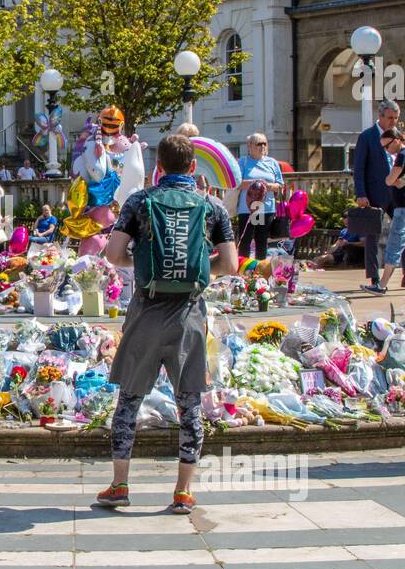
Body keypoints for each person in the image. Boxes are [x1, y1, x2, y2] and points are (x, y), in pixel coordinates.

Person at [97, 134, 239, 513]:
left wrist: (139, 263)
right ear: (194, 166)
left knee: (129, 400)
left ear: (158, 167)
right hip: (189, 315)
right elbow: (231, 265)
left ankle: (119, 484)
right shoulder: (212, 208)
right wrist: (200, 269)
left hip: (146, 311)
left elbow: (112, 254)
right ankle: (182, 491)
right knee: (189, 404)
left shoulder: (140, 201)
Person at [353, 100, 405, 289]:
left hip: (398, 194)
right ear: (380, 116)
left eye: (396, 118)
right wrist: (361, 193)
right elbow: (359, 168)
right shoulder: (367, 137)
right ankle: (374, 276)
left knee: (404, 232)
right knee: (372, 235)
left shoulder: (398, 136)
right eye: (390, 118)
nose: (393, 122)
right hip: (375, 193)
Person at [362, 128, 405, 294]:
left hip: (404, 208)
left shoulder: (402, 156)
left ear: (395, 140)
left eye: (387, 146)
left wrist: (392, 180)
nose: (386, 150)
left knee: (394, 246)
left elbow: (388, 180)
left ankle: (381, 285)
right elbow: (400, 180)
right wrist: (395, 181)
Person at [234, 133, 284, 261]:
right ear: (250, 146)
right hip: (249, 207)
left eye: (264, 143)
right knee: (246, 239)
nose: (262, 146)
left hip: (264, 207)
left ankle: (260, 271)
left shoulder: (272, 162)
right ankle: (242, 269)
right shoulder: (243, 162)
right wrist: (254, 183)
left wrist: (268, 185)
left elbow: (279, 184)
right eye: (258, 143)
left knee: (261, 240)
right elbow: (237, 183)